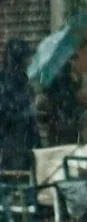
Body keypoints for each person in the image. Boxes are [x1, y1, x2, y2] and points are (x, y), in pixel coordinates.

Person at [0, 39, 41, 171]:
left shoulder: (23, 79)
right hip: (11, 142)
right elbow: (6, 111)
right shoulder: (5, 80)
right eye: (26, 57)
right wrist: (29, 108)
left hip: (26, 139)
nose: (29, 61)